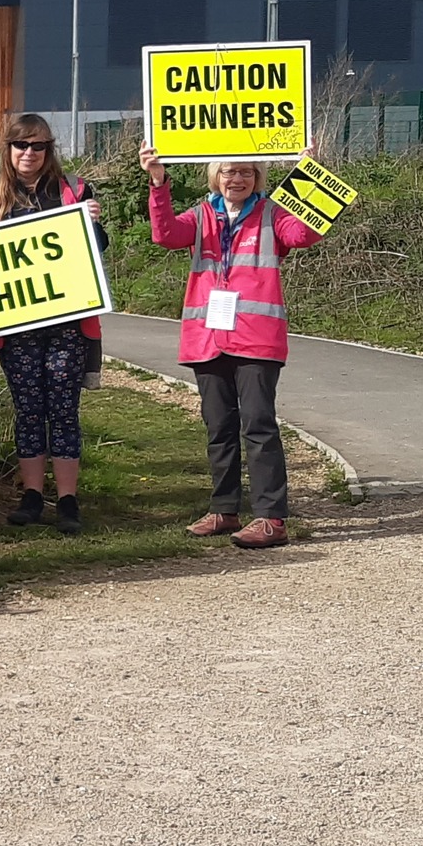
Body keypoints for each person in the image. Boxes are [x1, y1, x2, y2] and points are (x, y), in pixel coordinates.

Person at [142, 145, 327, 549]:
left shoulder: (272, 213)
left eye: (246, 171)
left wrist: (309, 176)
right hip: (208, 338)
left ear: (257, 177)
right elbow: (165, 235)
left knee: (258, 425)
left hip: (256, 338)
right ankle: (224, 509)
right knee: (218, 427)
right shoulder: (201, 214)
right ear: (216, 175)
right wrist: (158, 181)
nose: (237, 179)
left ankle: (271, 518)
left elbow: (304, 235)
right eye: (229, 171)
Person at [0, 114, 108, 535]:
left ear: (49, 150)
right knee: (28, 410)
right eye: (21, 145)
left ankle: (67, 500)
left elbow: (97, 249)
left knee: (63, 409)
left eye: (39, 146)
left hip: (67, 325)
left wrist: (93, 223)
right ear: (8, 150)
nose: (29, 153)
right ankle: (31, 496)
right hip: (17, 330)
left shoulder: (74, 192)